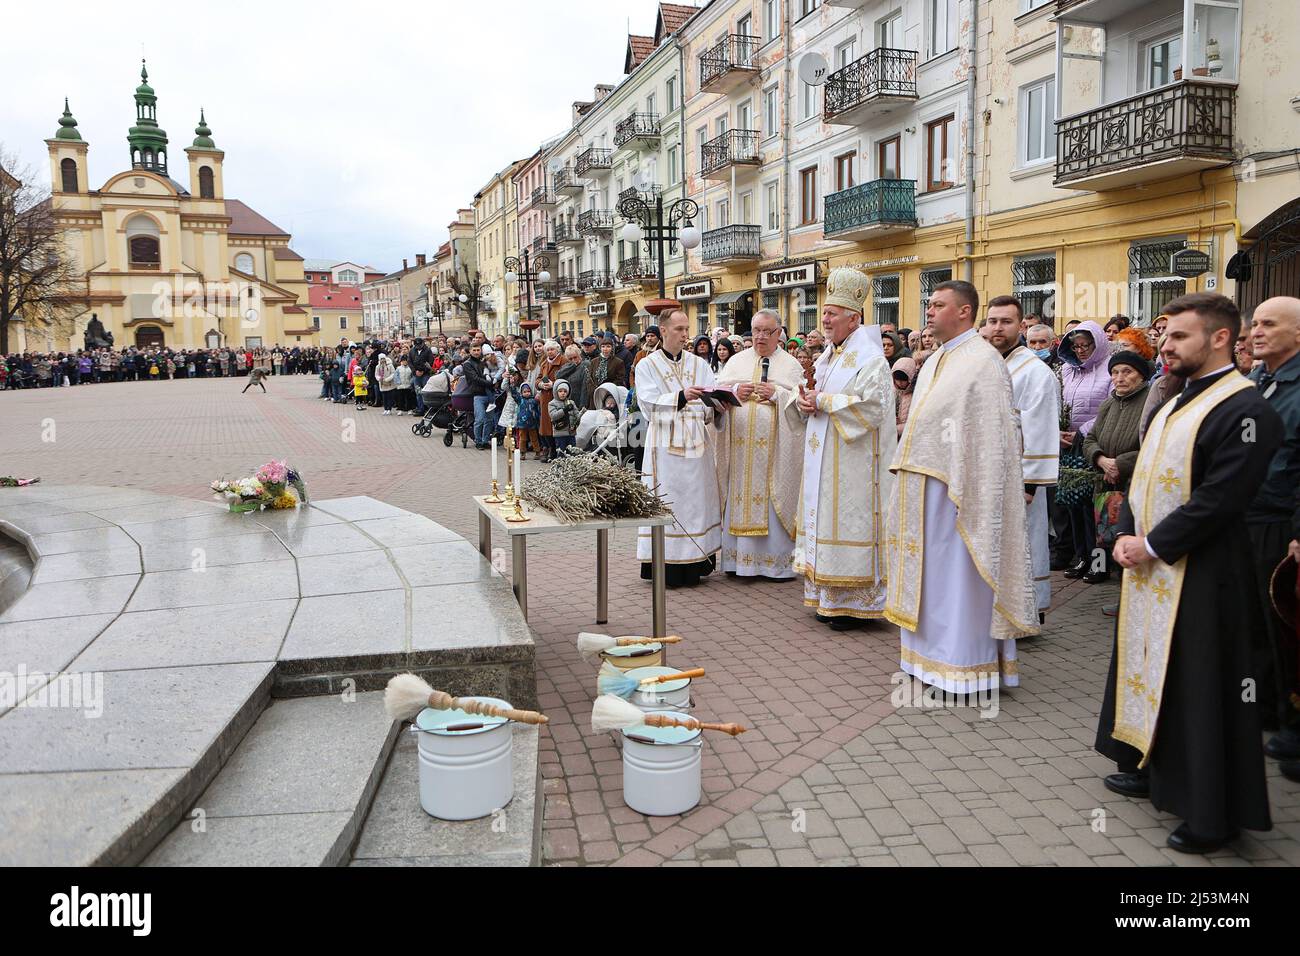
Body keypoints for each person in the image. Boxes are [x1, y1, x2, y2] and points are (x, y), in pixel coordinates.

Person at [1095, 292, 1282, 854]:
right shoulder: (1179, 399)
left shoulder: (1247, 409)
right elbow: (1146, 473)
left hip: (1208, 573)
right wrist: (1126, 534)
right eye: (1165, 336)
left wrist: (1151, 544)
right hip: (1154, 567)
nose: (1165, 345)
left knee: (1205, 689)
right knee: (1160, 673)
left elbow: (1222, 498)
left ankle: (1213, 815)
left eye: (1178, 336)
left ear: (1219, 338)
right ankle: (1153, 765)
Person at [885, 280, 1038, 692]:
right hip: (926, 491)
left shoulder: (983, 362)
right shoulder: (936, 358)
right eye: (929, 304)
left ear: (965, 312)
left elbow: (991, 440)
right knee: (931, 580)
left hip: (961, 493)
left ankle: (964, 668)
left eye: (938, 305)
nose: (929, 311)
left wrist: (977, 494)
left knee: (957, 580)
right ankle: (927, 661)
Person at [794, 268, 897, 629]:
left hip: (854, 463)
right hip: (826, 456)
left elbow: (874, 406)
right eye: (824, 312)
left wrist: (822, 401)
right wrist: (807, 402)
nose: (824, 319)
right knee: (825, 518)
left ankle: (856, 604)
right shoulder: (831, 354)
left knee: (847, 521)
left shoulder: (870, 358)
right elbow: (817, 396)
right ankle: (829, 598)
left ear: (854, 318)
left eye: (831, 313)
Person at [1245, 297, 1300, 763]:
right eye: (1255, 323)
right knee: (1259, 622)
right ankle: (1266, 707)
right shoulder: (1260, 380)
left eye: (1270, 324)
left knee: (1287, 626)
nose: (1257, 331)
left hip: (1283, 524)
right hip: (1250, 517)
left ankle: (1294, 724)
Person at [714, 309, 804, 581]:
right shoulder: (735, 362)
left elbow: (802, 407)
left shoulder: (790, 365)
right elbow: (716, 398)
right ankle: (738, 563)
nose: (761, 336)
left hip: (774, 454)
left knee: (770, 498)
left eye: (768, 331)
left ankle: (774, 564)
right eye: (757, 331)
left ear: (779, 333)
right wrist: (732, 392)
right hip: (739, 453)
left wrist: (777, 393)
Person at [986, 296, 1062, 618]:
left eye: (1006, 321)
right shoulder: (986, 364)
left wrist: (1030, 484)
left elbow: (1042, 429)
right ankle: (993, 610)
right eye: (992, 321)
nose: (998, 327)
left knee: (1024, 544)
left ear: (1021, 326)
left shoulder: (1035, 372)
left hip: (1021, 479)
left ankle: (1027, 611)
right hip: (988, 474)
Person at [635, 308, 722, 588]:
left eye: (687, 329)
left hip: (696, 446)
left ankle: (697, 563)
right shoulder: (646, 365)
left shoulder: (700, 364)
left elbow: (712, 404)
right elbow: (648, 404)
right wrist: (681, 397)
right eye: (679, 329)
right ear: (662, 331)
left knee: (696, 501)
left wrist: (720, 404)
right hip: (665, 449)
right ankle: (665, 564)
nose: (685, 335)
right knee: (668, 500)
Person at [1081, 351, 1152, 586]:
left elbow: (1151, 445)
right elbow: (1090, 439)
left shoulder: (1150, 402)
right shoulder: (1108, 404)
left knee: (1129, 539)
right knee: (1104, 536)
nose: (1119, 378)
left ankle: (1128, 594)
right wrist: (1101, 459)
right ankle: (1102, 573)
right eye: (1114, 372)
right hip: (1105, 484)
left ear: (1140, 376)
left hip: (1132, 485)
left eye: (1126, 372)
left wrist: (1119, 464)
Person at [1058, 320, 1113, 579]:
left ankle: (1099, 563)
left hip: (1095, 443)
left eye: (1085, 346)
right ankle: (1082, 558)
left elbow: (1111, 407)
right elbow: (1060, 403)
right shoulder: (1068, 371)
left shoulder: (1108, 369)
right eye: (1076, 346)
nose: (1080, 351)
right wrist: (1059, 429)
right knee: (1074, 505)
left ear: (1097, 344)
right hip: (1069, 444)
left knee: (1094, 509)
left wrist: (1081, 431)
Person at [548, 379, 580, 457]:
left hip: (571, 433)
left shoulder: (571, 402)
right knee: (561, 453)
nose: (563, 393)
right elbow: (553, 416)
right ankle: (560, 467)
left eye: (565, 391)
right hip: (560, 433)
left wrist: (582, 413)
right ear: (556, 392)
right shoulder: (552, 403)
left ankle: (571, 468)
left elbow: (577, 415)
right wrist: (564, 410)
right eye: (560, 391)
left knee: (572, 452)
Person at [891, 356, 918, 437]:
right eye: (897, 379)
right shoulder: (891, 391)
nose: (900, 383)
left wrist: (898, 429)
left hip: (908, 435)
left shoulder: (916, 393)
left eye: (903, 380)